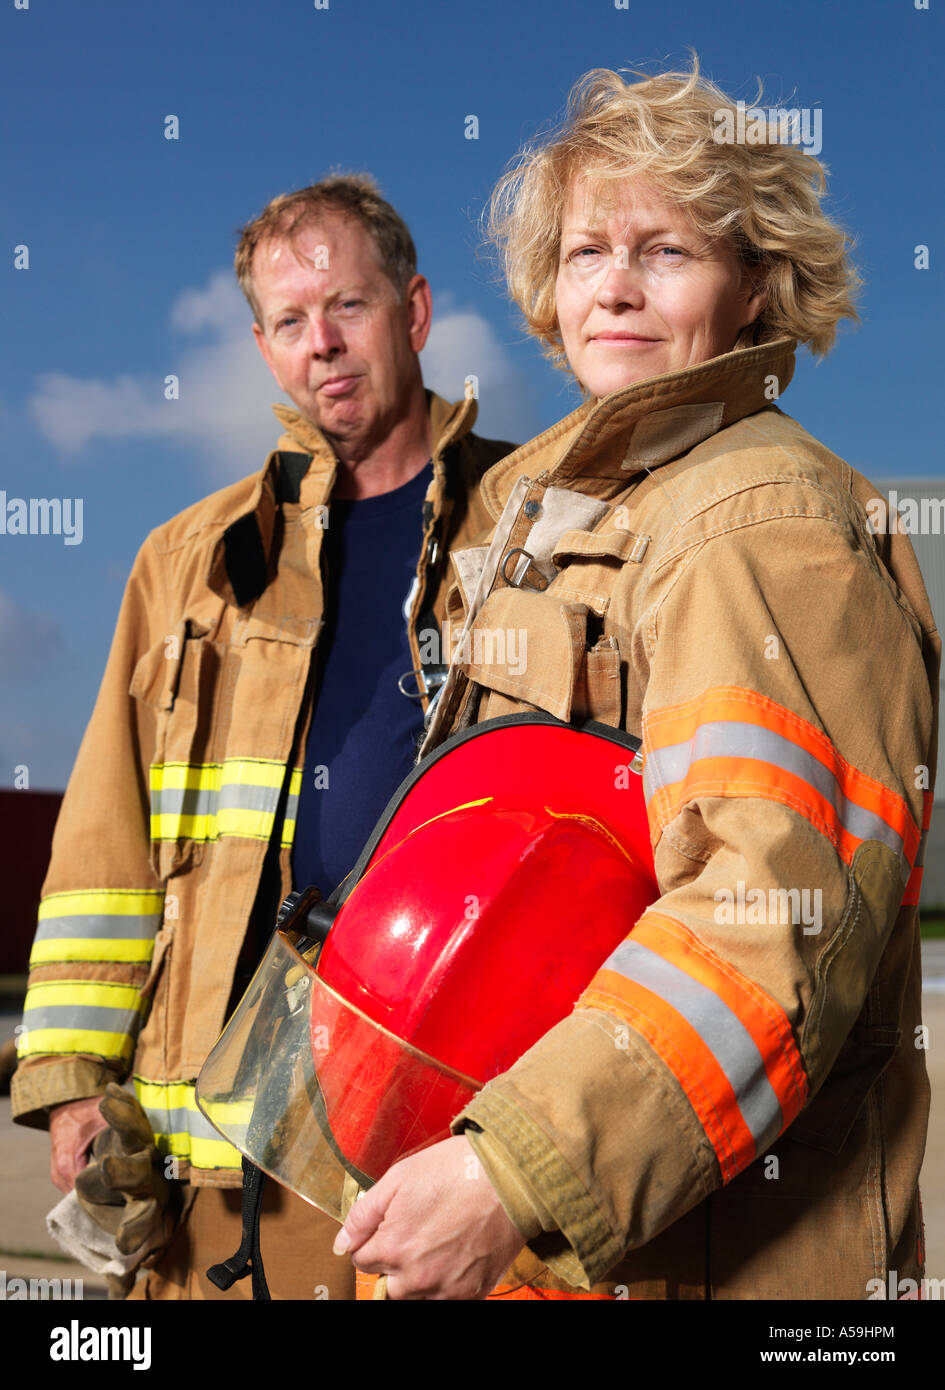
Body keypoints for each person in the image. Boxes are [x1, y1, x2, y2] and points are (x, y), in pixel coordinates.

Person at [332, 63, 940, 1300]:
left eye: (664, 251)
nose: (612, 285)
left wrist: (515, 1174)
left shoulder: (754, 516)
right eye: (584, 252)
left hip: (705, 1263)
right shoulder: (551, 512)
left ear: (757, 284)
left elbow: (772, 920)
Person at [11, 174, 512, 1299]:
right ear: (260, 344)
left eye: (348, 305)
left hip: (416, 1150)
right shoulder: (189, 561)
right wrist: (74, 1074)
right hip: (197, 1175)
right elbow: (103, 842)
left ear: (416, 312)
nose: (322, 345)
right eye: (290, 322)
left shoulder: (534, 530)